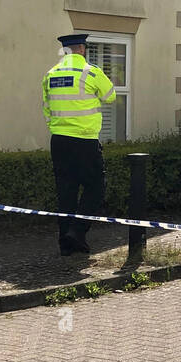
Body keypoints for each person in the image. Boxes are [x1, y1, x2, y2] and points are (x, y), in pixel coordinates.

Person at [43, 33, 117, 255]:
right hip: (84, 140)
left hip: (59, 141)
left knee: (66, 191)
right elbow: (111, 95)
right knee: (96, 187)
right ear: (82, 50)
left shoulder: (50, 75)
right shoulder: (90, 72)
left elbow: (47, 108)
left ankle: (66, 243)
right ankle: (77, 231)